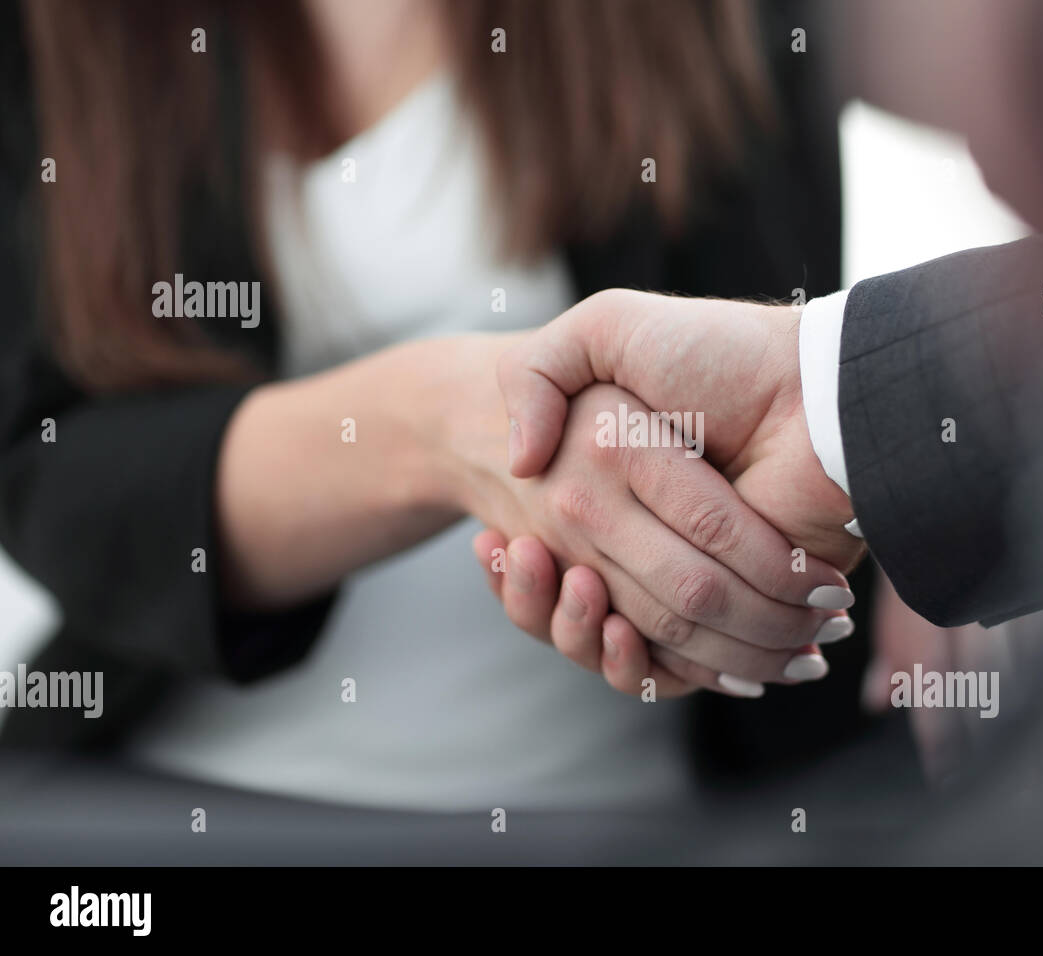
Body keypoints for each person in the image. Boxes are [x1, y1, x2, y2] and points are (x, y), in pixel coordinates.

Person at [0, 0, 858, 808]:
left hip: (612, 812)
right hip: (168, 812)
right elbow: (43, 467)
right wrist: (447, 425)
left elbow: (785, 391)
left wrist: (912, 510)